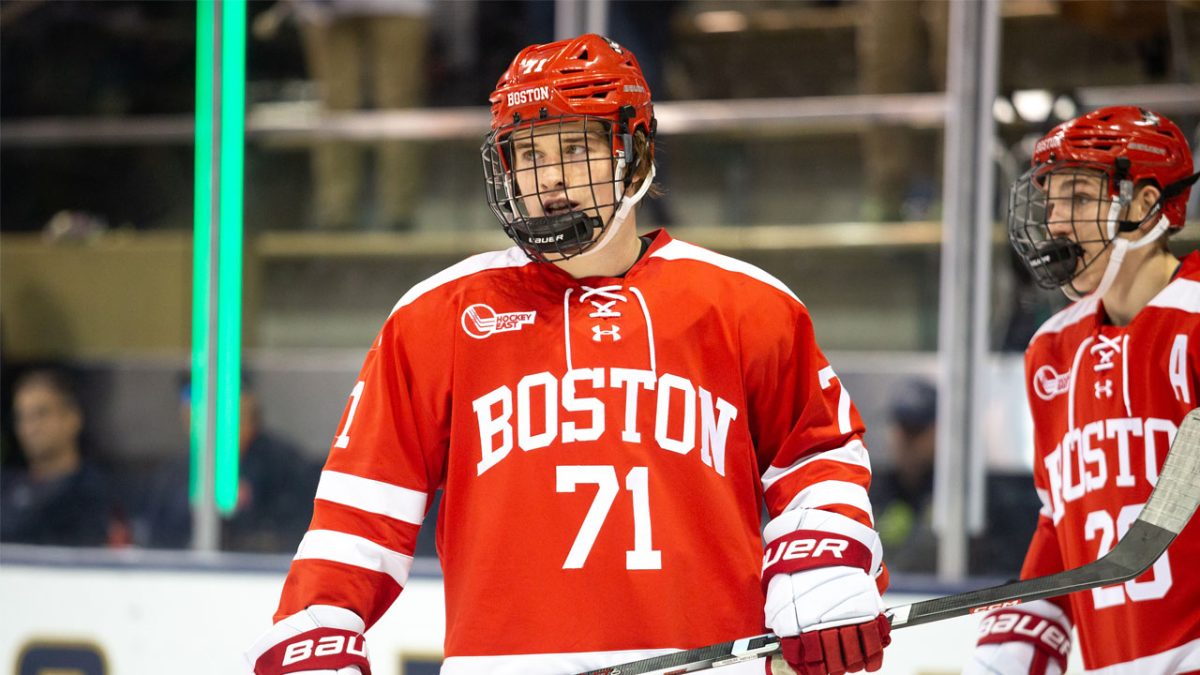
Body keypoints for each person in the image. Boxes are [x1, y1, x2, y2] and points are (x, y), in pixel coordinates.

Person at [246, 34, 891, 675]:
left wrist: (825, 557)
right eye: (527, 154)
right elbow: (363, 507)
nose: (549, 180)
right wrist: (319, 622)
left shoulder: (747, 305)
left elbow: (819, 455)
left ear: (636, 156)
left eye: (576, 147)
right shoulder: (435, 319)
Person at [966, 106, 1200, 675]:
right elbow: (1061, 517)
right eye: (1053, 201)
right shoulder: (1051, 349)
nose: (1058, 222)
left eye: (1079, 198)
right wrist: (1016, 645)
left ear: (1146, 207)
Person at [139, 374, 319, 552]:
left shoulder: (286, 465)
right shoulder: (176, 473)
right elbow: (156, 542)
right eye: (192, 397)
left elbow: (299, 536)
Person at [0, 367, 112, 547]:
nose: (30, 428)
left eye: (41, 414)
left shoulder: (92, 493)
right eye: (22, 418)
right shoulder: (7, 485)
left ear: (72, 418)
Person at [870, 377, 938, 573]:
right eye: (899, 427)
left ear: (938, 431)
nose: (903, 440)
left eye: (914, 430)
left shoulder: (952, 500)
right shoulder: (871, 491)